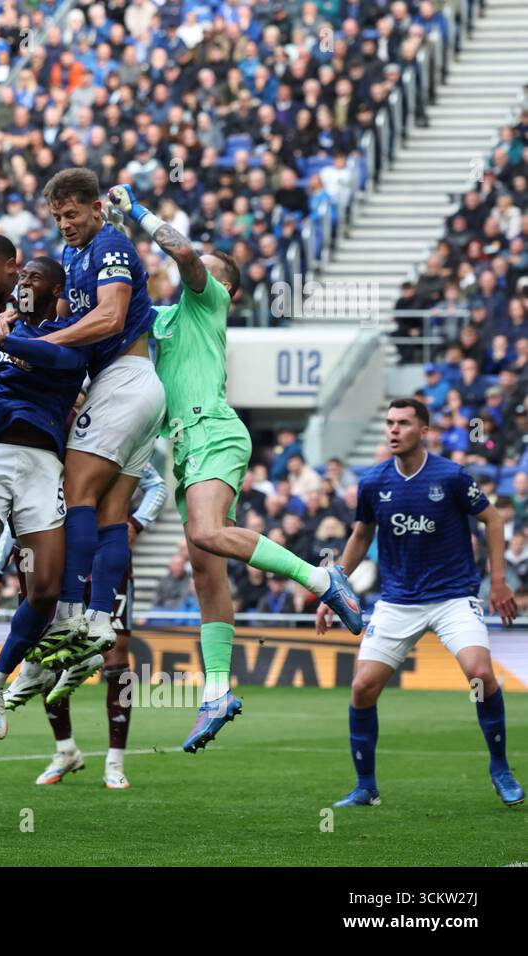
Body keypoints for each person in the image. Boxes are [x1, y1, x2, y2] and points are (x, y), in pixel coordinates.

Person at [113, 183, 363, 752]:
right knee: (207, 575)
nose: (193, 268)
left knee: (205, 532)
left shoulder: (208, 300)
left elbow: (178, 251)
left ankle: (323, 580)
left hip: (211, 429)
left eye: (205, 266)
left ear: (223, 283)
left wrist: (139, 212)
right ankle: (218, 691)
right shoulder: (165, 317)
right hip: (184, 446)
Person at [318, 398, 523, 808]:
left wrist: (497, 582)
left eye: (403, 423)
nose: (393, 430)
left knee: (480, 674)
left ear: (424, 431)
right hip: (397, 601)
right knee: (362, 688)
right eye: (389, 422)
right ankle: (365, 787)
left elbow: (493, 520)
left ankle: (500, 767)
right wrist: (333, 587)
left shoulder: (451, 476)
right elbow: (361, 535)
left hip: (453, 597)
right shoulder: (374, 481)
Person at [14, 168, 165, 680]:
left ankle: (70, 612)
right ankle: (102, 618)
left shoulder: (111, 244)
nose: (65, 224)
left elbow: (110, 318)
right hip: (125, 387)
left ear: (96, 208)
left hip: (125, 376)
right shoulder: (72, 256)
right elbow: (62, 321)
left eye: (73, 213)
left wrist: (42, 346)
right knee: (111, 509)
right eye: (57, 216)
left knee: (75, 488)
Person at [0, 256, 96, 738]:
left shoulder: (69, 335)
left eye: (33, 278)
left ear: (56, 288)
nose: (23, 284)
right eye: (20, 277)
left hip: (45, 463)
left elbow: (60, 360)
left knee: (44, 589)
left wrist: (8, 341)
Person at [0, 464, 168, 788]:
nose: (73, 408)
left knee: (116, 655)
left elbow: (156, 484)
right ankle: (65, 750)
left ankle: (115, 762)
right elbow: (20, 507)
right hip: (63, 555)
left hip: (107, 556)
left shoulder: (111, 437)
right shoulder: (51, 441)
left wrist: (137, 521)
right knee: (52, 647)